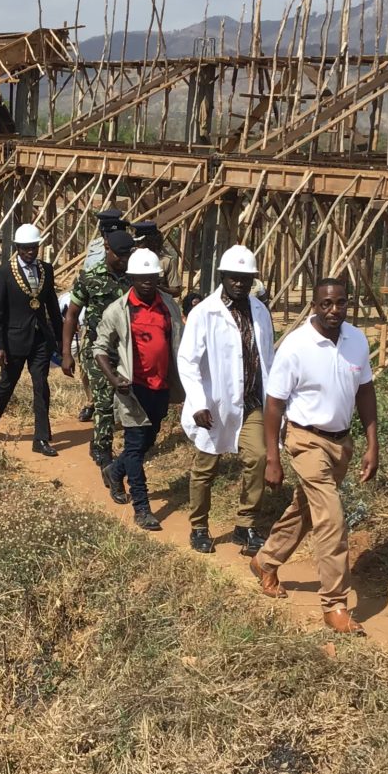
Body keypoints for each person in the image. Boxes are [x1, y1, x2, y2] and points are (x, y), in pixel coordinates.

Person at [253, 279, 379, 635]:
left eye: (340, 303)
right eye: (326, 304)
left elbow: (365, 392)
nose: (334, 310)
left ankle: (265, 561)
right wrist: (273, 457)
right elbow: (274, 404)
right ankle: (334, 604)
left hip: (341, 443)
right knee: (332, 519)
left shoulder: (357, 341)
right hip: (305, 438)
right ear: (314, 306)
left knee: (307, 510)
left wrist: (372, 444)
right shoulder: (296, 346)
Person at [177, 245, 276, 555]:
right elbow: (188, 361)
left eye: (245, 278)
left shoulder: (260, 311)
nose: (239, 283)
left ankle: (245, 525)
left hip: (251, 401)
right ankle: (198, 527)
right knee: (206, 466)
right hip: (214, 403)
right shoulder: (204, 312)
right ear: (222, 276)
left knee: (258, 457)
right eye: (233, 277)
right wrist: (198, 403)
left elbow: (268, 357)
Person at [93, 248, 183, 531]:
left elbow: (179, 343)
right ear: (131, 278)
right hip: (132, 389)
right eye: (141, 278)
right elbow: (99, 349)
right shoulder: (118, 310)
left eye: (152, 277)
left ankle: (114, 470)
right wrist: (114, 379)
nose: (147, 282)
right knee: (134, 446)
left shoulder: (169, 306)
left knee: (148, 440)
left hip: (161, 387)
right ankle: (142, 507)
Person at [0, 223, 63, 456]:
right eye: (25, 248)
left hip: (40, 338)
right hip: (13, 339)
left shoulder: (46, 269)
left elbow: (53, 307)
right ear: (17, 248)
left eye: (33, 247)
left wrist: (60, 339)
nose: (30, 252)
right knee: (7, 384)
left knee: (41, 385)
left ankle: (41, 438)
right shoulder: (3, 272)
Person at [62, 229, 134, 467]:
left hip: (126, 348)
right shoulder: (90, 277)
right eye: (120, 254)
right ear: (107, 250)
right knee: (103, 400)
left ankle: (114, 443)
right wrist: (66, 353)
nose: (124, 259)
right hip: (96, 348)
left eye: (128, 254)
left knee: (127, 399)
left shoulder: (135, 278)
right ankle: (103, 449)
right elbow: (71, 315)